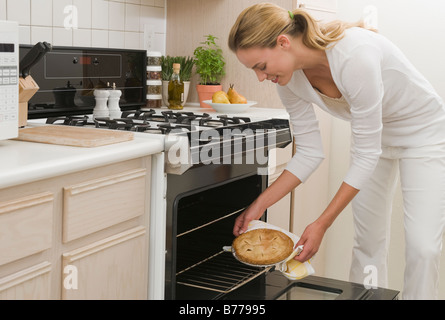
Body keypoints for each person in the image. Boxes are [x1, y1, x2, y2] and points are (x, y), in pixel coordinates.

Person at [228, 2, 445, 300]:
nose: (260, 77)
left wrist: (321, 224)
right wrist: (258, 205)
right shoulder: (289, 81)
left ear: (283, 42)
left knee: (424, 248)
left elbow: (365, 154)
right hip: (373, 142)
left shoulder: (354, 55)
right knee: (368, 241)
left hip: (423, 135)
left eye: (260, 67)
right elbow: (309, 153)